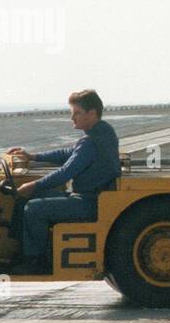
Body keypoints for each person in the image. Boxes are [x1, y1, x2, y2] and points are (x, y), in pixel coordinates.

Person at [6, 89, 122, 273]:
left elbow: (66, 172)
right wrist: (33, 156)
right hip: (94, 198)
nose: (72, 118)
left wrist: (33, 185)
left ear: (92, 114)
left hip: (89, 201)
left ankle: (35, 261)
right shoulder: (103, 132)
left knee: (33, 208)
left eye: (77, 113)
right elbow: (68, 153)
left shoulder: (91, 142)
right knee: (27, 200)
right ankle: (18, 249)